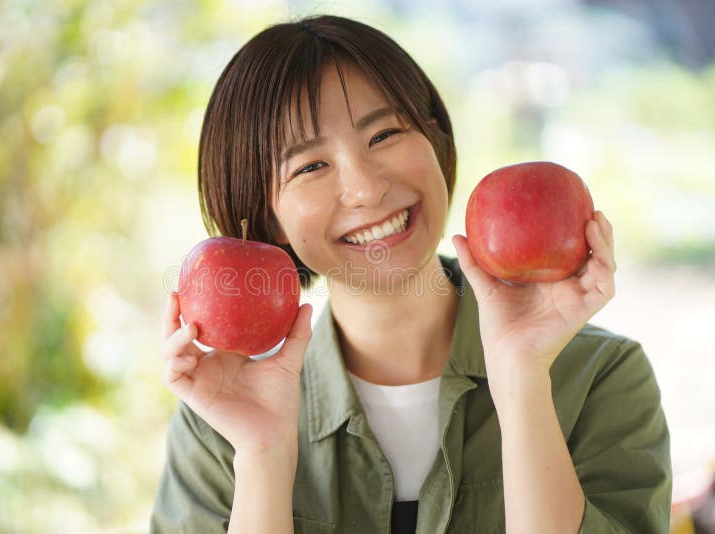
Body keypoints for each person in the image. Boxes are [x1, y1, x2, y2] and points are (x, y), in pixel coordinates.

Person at [151, 14, 671, 534]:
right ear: (267, 219)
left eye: (383, 134)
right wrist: (263, 455)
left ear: (434, 138)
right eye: (310, 166)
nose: (365, 188)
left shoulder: (601, 377)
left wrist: (524, 382)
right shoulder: (221, 422)